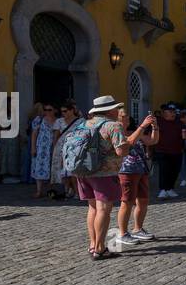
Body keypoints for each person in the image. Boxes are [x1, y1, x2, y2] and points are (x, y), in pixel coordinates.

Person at [74, 95, 149, 260]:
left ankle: (93, 244)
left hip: (83, 171)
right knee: (103, 209)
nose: (117, 111)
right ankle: (100, 249)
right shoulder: (113, 125)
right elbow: (121, 151)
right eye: (115, 108)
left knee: (92, 208)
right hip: (104, 173)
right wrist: (130, 143)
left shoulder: (85, 123)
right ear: (109, 111)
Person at [114, 107, 158, 247]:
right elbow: (129, 142)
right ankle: (122, 233)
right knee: (127, 201)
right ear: (116, 118)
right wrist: (142, 126)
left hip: (141, 169)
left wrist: (155, 127)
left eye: (127, 116)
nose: (127, 118)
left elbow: (152, 141)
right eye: (123, 116)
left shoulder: (134, 131)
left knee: (143, 200)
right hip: (126, 171)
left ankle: (137, 229)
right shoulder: (116, 132)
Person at [49, 101, 82, 199]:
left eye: (65, 111)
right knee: (63, 172)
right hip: (60, 148)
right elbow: (56, 136)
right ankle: (67, 190)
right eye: (62, 111)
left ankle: (76, 191)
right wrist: (54, 148)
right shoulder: (59, 121)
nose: (63, 113)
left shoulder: (81, 121)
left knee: (73, 171)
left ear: (72, 110)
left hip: (74, 148)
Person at [153, 104, 185, 199]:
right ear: (164, 113)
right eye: (170, 112)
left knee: (175, 171)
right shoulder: (158, 122)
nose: (173, 114)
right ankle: (163, 190)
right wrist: (149, 150)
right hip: (162, 151)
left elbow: (184, 136)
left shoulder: (179, 122)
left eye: (174, 112)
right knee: (164, 170)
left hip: (177, 151)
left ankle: (170, 188)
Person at [28, 103, 59, 197]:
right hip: (41, 148)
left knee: (51, 169)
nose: (47, 112)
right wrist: (33, 148)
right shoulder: (39, 119)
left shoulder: (58, 121)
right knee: (39, 168)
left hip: (52, 148)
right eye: (45, 110)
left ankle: (50, 190)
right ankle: (39, 190)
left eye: (49, 110)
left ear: (55, 110)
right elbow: (34, 134)